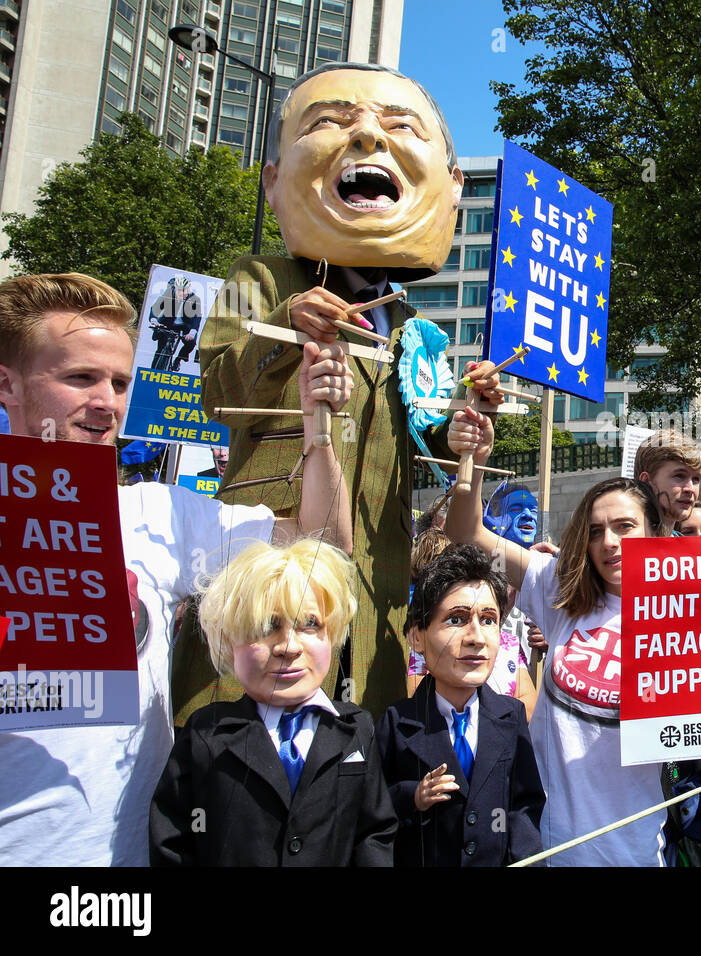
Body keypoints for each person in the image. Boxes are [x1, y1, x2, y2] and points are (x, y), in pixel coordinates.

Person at [0, 272, 352, 866]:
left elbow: (320, 545)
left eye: (118, 381)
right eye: (79, 378)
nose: (106, 402)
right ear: (6, 385)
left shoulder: (156, 512)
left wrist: (318, 427)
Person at [193, 62, 502, 719]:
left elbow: (423, 435)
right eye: (333, 122)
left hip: (379, 575)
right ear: (274, 184)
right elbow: (216, 395)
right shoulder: (261, 276)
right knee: (253, 730)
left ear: (450, 192)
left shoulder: (416, 330)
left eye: (397, 127)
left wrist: (463, 427)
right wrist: (281, 329)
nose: (367, 139)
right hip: (276, 556)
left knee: (362, 744)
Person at [446, 408, 701, 865]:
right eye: (597, 530)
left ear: (652, 531)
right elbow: (465, 532)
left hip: (634, 852)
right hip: (542, 846)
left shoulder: (692, 611)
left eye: (624, 527)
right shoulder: (558, 589)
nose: (609, 542)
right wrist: (474, 460)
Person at [150, 539, 395, 865]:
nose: (289, 647)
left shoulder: (356, 729)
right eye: (267, 626)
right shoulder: (206, 734)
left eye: (310, 624)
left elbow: (373, 832)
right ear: (229, 639)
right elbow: (173, 839)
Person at [376, 543, 544, 866]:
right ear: (417, 637)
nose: (476, 638)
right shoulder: (397, 724)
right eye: (456, 619)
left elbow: (524, 806)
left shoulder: (511, 718)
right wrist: (412, 796)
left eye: (489, 619)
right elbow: (372, 810)